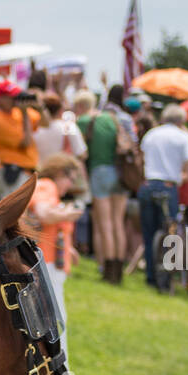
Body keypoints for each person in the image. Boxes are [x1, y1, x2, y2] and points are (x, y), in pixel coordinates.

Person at [28, 156, 86, 375]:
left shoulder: (46, 188)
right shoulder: (47, 186)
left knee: (52, 325)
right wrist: (70, 212)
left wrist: (69, 248)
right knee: (56, 326)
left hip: (50, 264)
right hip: (46, 266)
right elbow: (44, 213)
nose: (68, 186)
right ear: (61, 173)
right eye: (69, 179)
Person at [139, 104, 188, 288]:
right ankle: (165, 281)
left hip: (148, 184)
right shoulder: (183, 137)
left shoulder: (152, 134)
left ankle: (150, 277)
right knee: (169, 235)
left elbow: (142, 159)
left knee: (149, 234)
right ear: (181, 121)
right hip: (168, 186)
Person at [76, 86, 131, 283]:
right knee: (118, 224)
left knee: (105, 224)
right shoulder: (113, 119)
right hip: (119, 173)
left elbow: (79, 151)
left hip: (99, 172)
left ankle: (108, 272)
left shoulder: (84, 121)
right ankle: (119, 271)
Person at [0, 79, 41, 200]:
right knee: (14, 215)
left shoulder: (17, 110)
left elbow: (44, 122)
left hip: (26, 172)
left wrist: (40, 106)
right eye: (11, 96)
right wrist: (25, 113)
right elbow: (25, 142)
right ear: (0, 98)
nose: (15, 99)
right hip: (11, 172)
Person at [35, 93, 87, 167]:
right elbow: (81, 154)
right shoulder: (69, 127)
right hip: (62, 173)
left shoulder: (34, 128)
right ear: (60, 110)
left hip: (40, 172)